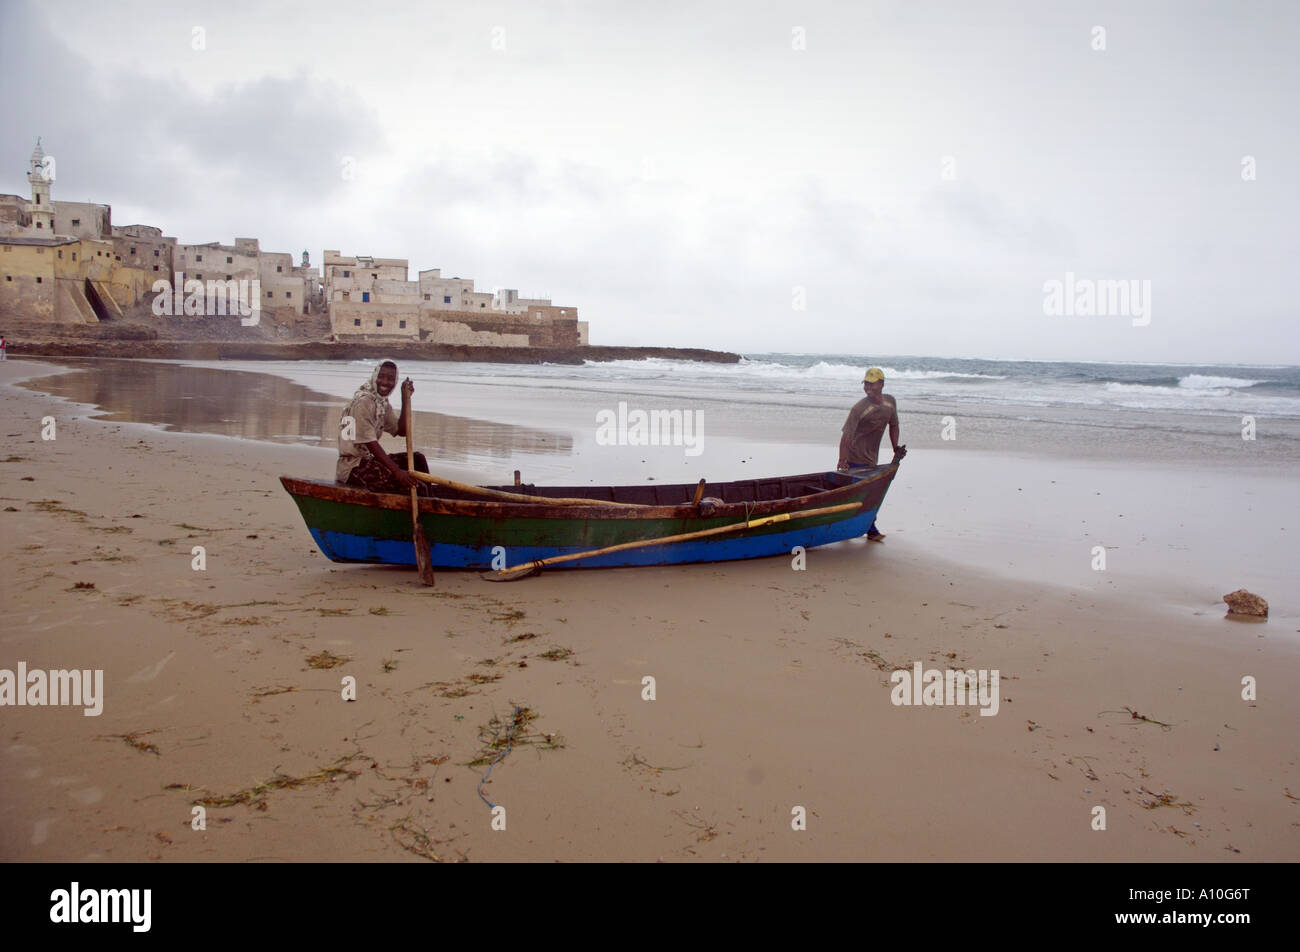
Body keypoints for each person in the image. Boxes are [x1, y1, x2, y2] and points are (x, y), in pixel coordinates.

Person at [336, 360, 431, 493]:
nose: (385, 382)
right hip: (352, 467)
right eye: (381, 377)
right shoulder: (364, 402)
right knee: (416, 488)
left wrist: (405, 398)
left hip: (368, 461)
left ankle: (430, 499)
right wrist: (397, 472)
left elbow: (401, 430)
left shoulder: (381, 403)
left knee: (418, 460)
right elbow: (371, 443)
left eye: (391, 379)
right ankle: (422, 502)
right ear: (375, 377)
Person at [837, 367, 906, 541]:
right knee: (865, 494)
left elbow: (894, 425)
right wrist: (842, 460)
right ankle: (871, 530)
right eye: (865, 383)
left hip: (871, 459)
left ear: (881, 384)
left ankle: (856, 528)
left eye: (871, 383)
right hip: (854, 457)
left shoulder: (890, 402)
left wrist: (895, 447)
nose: (868, 387)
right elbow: (847, 435)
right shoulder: (859, 409)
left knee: (863, 494)